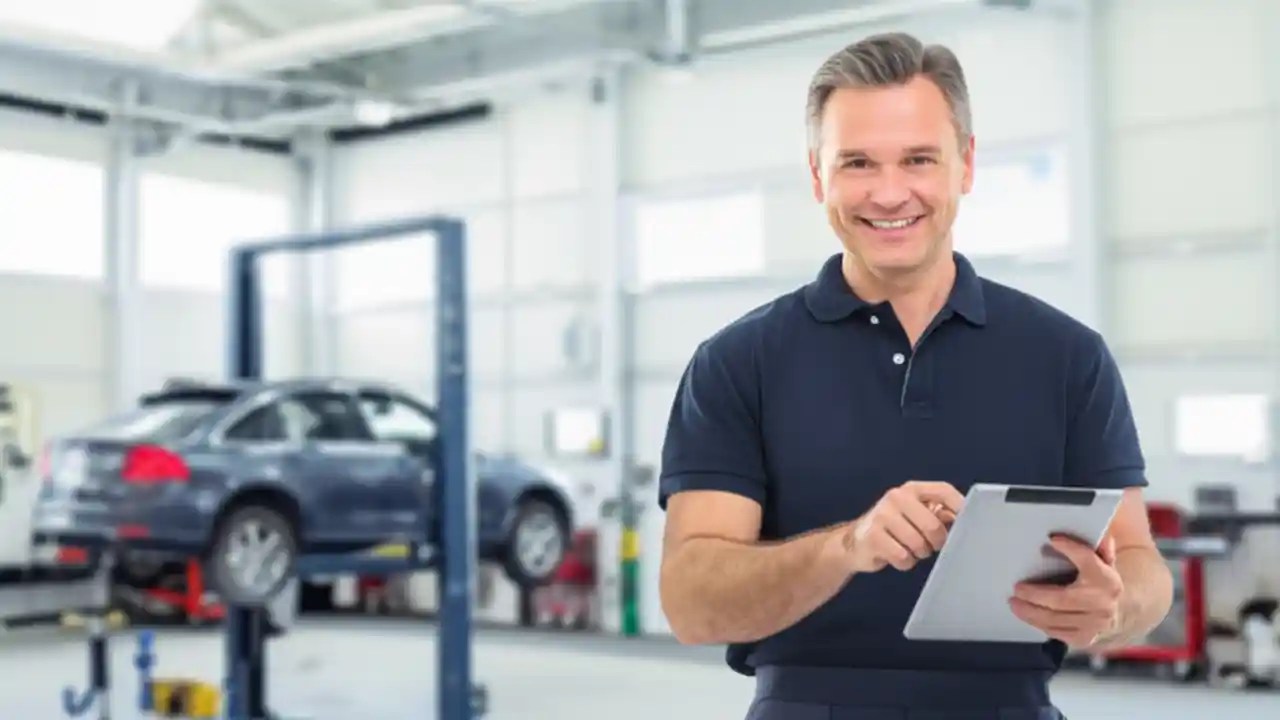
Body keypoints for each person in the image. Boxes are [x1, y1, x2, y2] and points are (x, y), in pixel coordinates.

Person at [656, 32, 1174, 719]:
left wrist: (1111, 607)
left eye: (919, 159)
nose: (890, 192)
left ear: (966, 164)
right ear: (818, 176)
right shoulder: (737, 362)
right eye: (858, 163)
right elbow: (692, 603)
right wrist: (847, 547)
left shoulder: (1067, 357)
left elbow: (1143, 568)